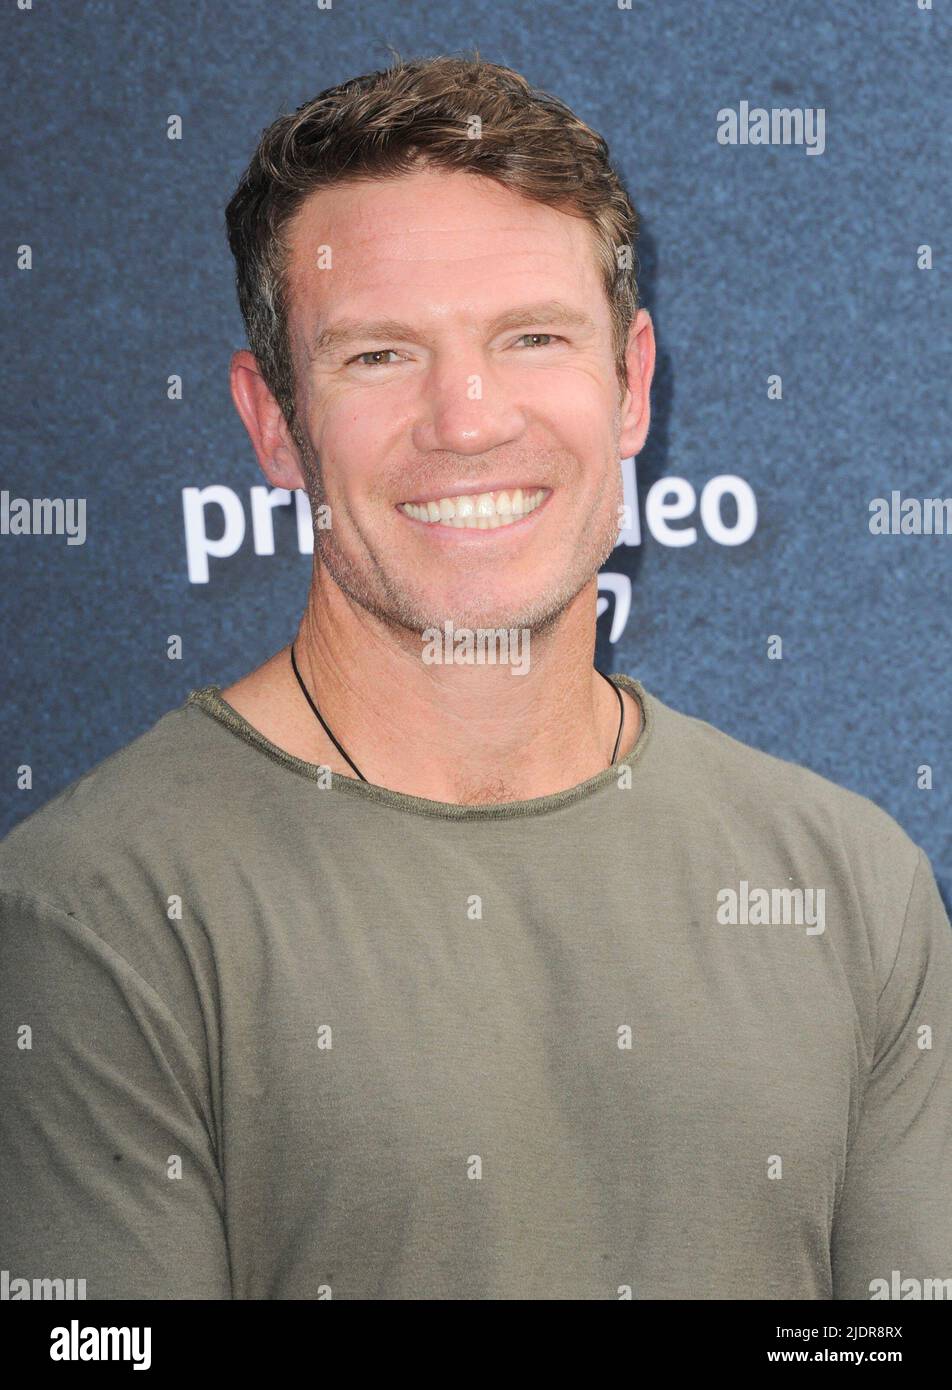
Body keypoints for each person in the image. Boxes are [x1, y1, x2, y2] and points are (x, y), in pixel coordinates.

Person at [1, 52, 950, 1302]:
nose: (467, 418)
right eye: (379, 355)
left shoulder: (851, 883)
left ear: (633, 384)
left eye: (533, 338)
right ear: (273, 424)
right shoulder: (93, 913)